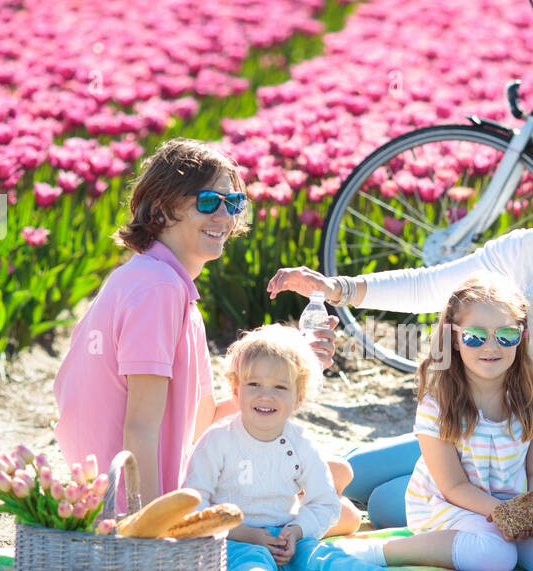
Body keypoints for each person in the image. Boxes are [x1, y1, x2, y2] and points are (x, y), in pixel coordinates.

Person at [267, 143, 533, 525]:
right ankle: (278, 491)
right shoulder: (530, 250)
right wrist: (337, 288)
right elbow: (432, 286)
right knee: (356, 468)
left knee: (381, 503)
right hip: (482, 446)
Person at [52, 138, 359, 532]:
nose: (224, 216)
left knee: (337, 473)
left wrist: (295, 361)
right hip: (139, 503)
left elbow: (206, 422)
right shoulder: (157, 290)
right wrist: (149, 534)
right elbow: (139, 430)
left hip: (152, 484)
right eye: (208, 202)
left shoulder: (159, 281)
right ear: (162, 208)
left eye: (233, 204)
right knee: (341, 510)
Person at [335, 274, 533, 571]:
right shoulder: (438, 403)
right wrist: (500, 513)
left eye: (506, 334)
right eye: (474, 337)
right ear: (453, 339)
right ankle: (380, 552)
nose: (491, 346)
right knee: (496, 555)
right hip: (449, 507)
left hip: (511, 510)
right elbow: (453, 485)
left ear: (523, 336)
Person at [183, 325, 406, 571]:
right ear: (236, 390)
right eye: (254, 385)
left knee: (323, 559)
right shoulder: (216, 441)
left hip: (287, 535)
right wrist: (244, 533)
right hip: (236, 537)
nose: (266, 396)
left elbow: (324, 502)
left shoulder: (301, 443)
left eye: (280, 387)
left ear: (298, 396)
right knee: (244, 563)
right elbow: (194, 501)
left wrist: (297, 531)